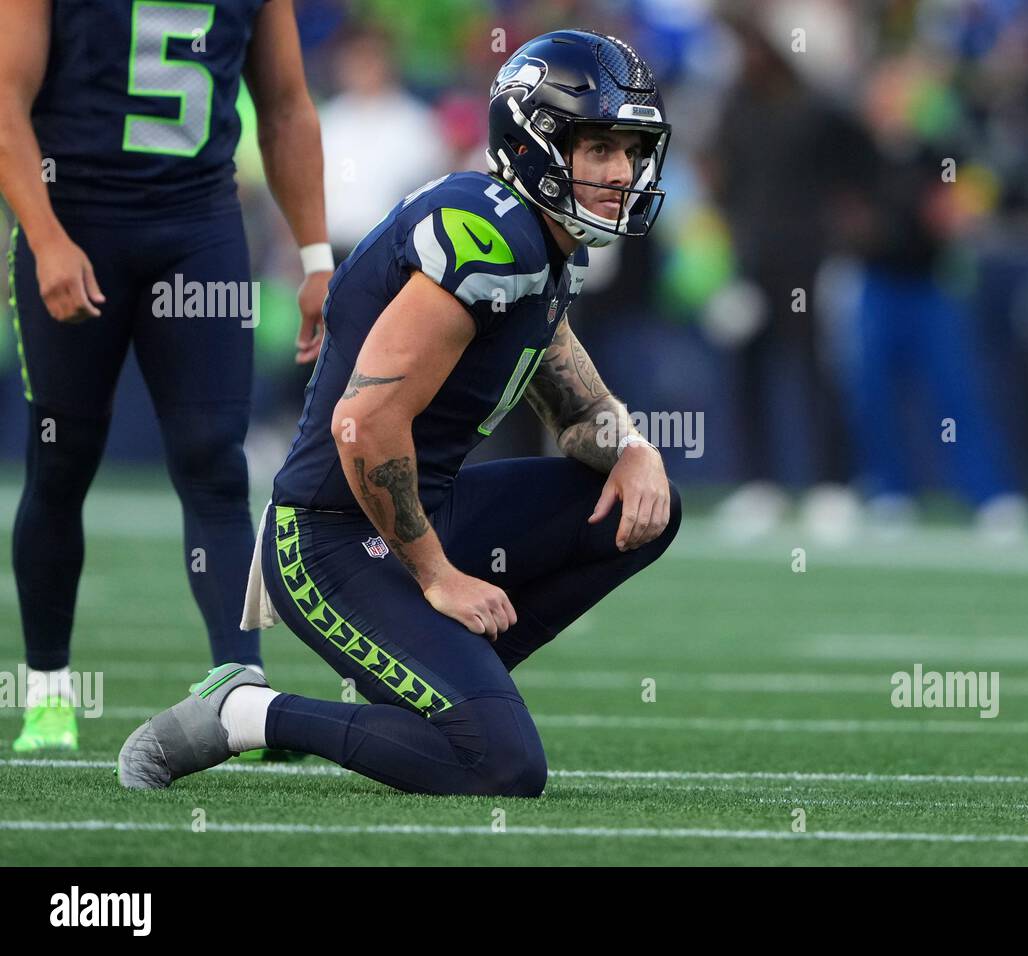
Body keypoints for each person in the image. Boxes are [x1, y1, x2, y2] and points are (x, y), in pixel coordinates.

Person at [118, 30, 681, 798]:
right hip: (329, 535)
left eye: (629, 150)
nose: (621, 172)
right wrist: (438, 575)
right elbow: (364, 423)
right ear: (538, 143)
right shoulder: (493, 238)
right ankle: (245, 713)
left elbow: (570, 394)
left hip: (422, 505)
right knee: (502, 765)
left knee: (645, 504)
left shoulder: (540, 242)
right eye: (599, 150)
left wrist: (633, 448)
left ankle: (442, 693)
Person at [0, 0, 330, 752]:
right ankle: (49, 690)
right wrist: (47, 238)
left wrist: (316, 256)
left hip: (198, 222)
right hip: (77, 212)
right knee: (61, 459)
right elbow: (6, 100)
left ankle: (240, 688)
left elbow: (284, 105)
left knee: (215, 457)